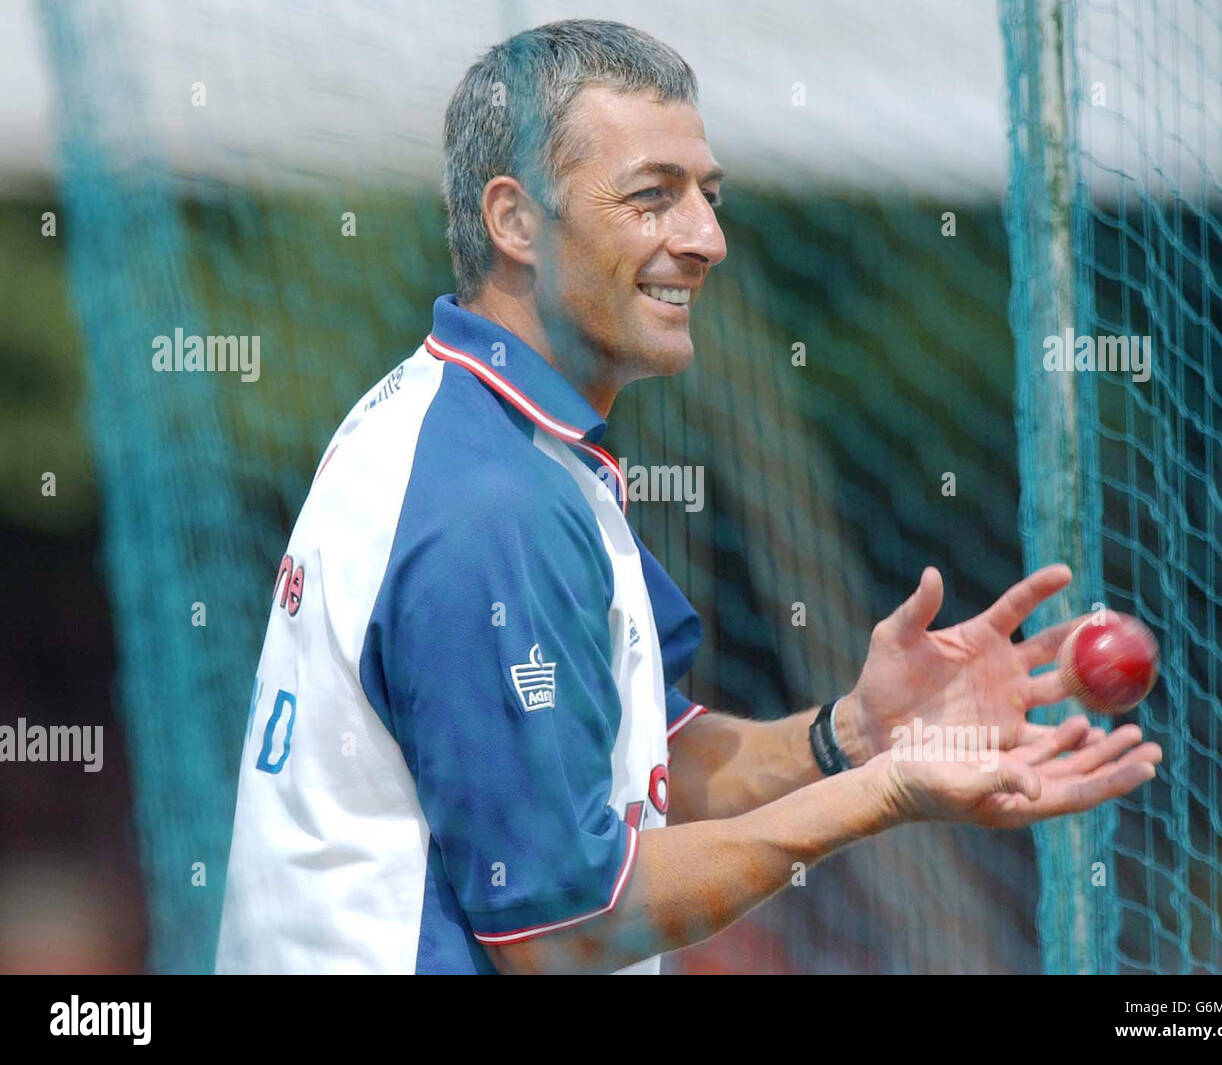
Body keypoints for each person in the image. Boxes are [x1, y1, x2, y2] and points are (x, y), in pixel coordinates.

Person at [216, 18, 1161, 975]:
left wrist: (855, 734)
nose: (706, 239)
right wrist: (885, 790)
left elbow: (648, 764)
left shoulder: (467, 426)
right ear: (515, 223)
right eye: (651, 198)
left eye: (707, 196)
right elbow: (561, 928)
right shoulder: (492, 500)